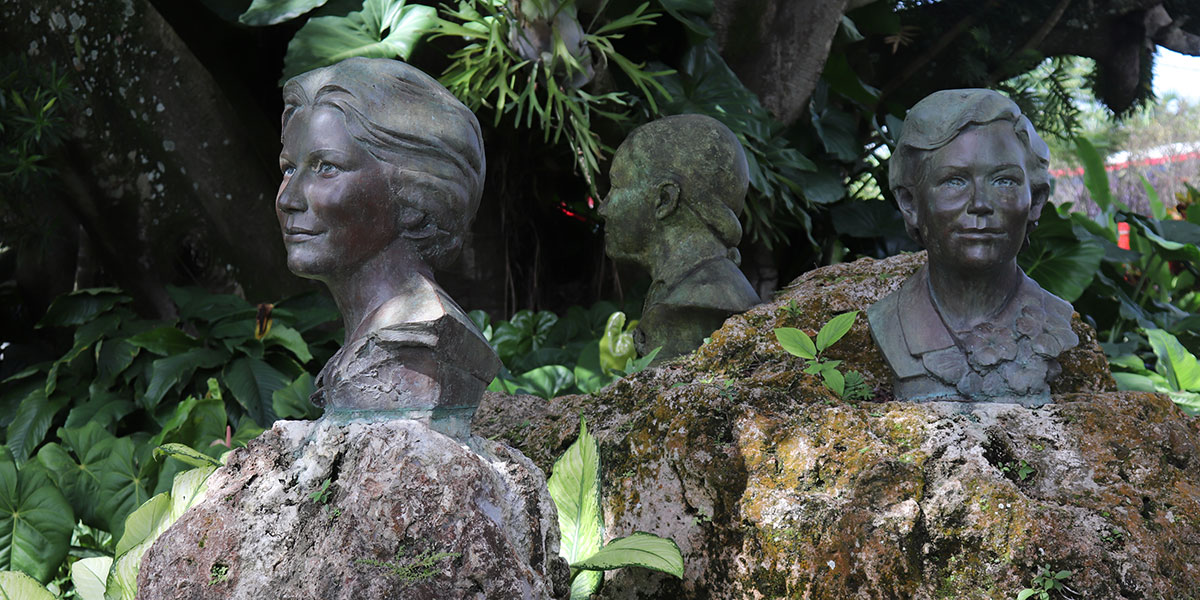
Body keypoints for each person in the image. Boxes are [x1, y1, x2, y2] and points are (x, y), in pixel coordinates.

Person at [276, 57, 498, 436]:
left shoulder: (418, 344)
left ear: (414, 195)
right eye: (288, 169)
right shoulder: (372, 346)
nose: (288, 199)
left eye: (326, 167)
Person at [868, 89, 1078, 404]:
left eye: (1004, 181)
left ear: (1035, 201)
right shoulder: (890, 320)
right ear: (910, 203)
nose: (980, 204)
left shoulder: (1054, 318)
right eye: (954, 181)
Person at [599, 114, 760, 360]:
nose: (604, 208)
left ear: (665, 200)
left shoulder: (697, 305)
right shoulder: (682, 291)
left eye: (616, 186)